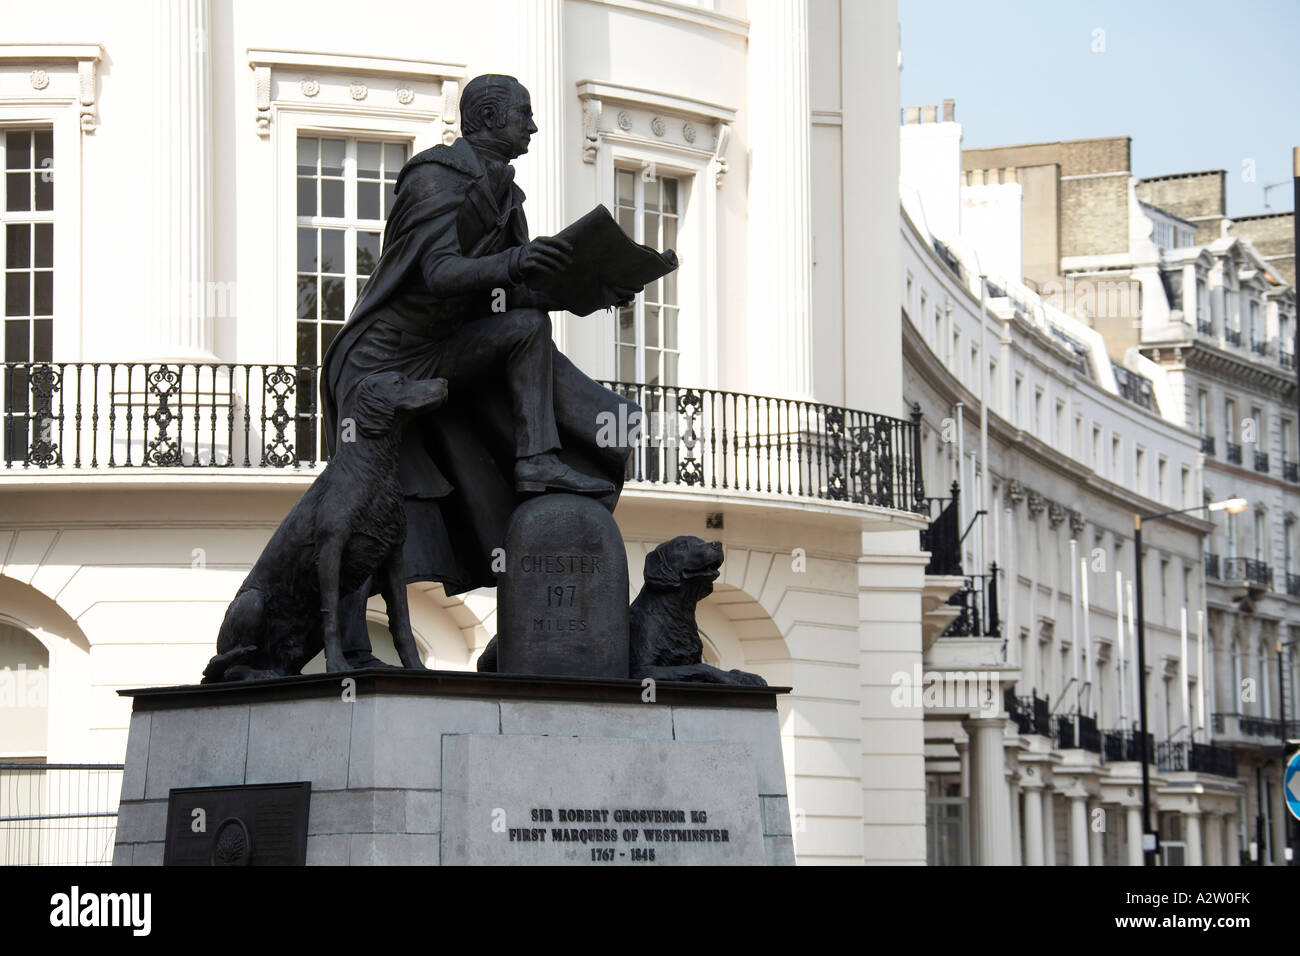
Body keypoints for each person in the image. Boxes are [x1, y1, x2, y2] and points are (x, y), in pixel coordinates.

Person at [320, 73, 640, 667]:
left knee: (527, 329)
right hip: (380, 361)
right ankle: (348, 644)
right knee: (368, 502)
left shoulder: (505, 192)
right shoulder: (436, 177)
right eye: (524, 114)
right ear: (490, 117)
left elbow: (507, 298)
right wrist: (517, 259)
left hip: (440, 346)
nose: (534, 126)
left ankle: (537, 459)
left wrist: (586, 289)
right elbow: (437, 273)